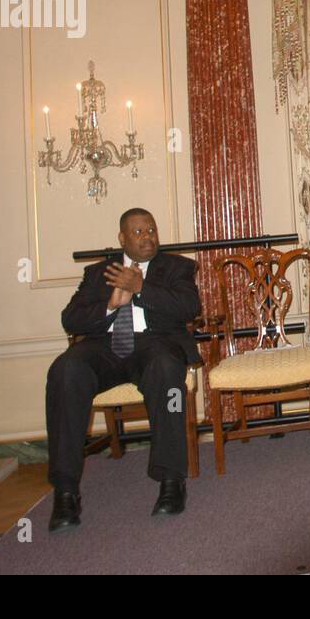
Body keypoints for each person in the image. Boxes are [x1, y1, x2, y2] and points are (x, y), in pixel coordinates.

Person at [47, 208, 202, 531]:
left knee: (166, 370)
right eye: (138, 232)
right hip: (105, 347)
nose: (148, 237)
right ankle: (65, 492)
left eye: (151, 230)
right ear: (121, 238)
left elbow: (189, 308)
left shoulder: (177, 267)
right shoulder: (99, 272)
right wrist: (110, 305)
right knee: (65, 370)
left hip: (155, 344)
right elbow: (70, 319)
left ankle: (171, 481)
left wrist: (142, 288)